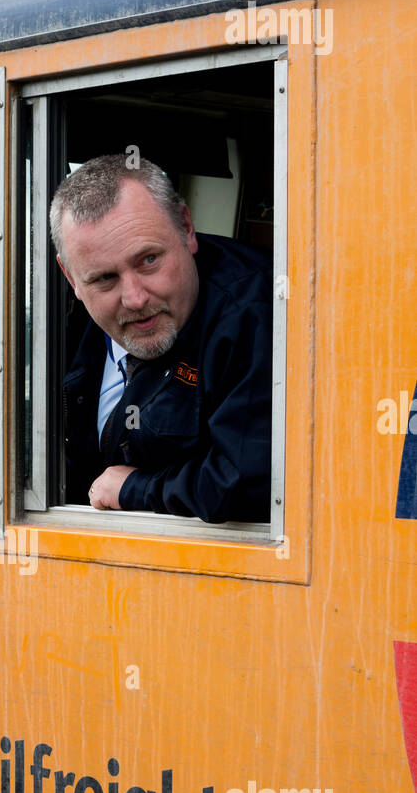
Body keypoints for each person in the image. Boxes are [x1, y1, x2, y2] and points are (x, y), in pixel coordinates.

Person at [51, 155, 272, 524]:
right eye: (104, 278)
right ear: (71, 277)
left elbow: (246, 481)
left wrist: (135, 489)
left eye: (149, 260)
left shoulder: (258, 312)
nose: (134, 298)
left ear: (186, 228)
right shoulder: (56, 330)